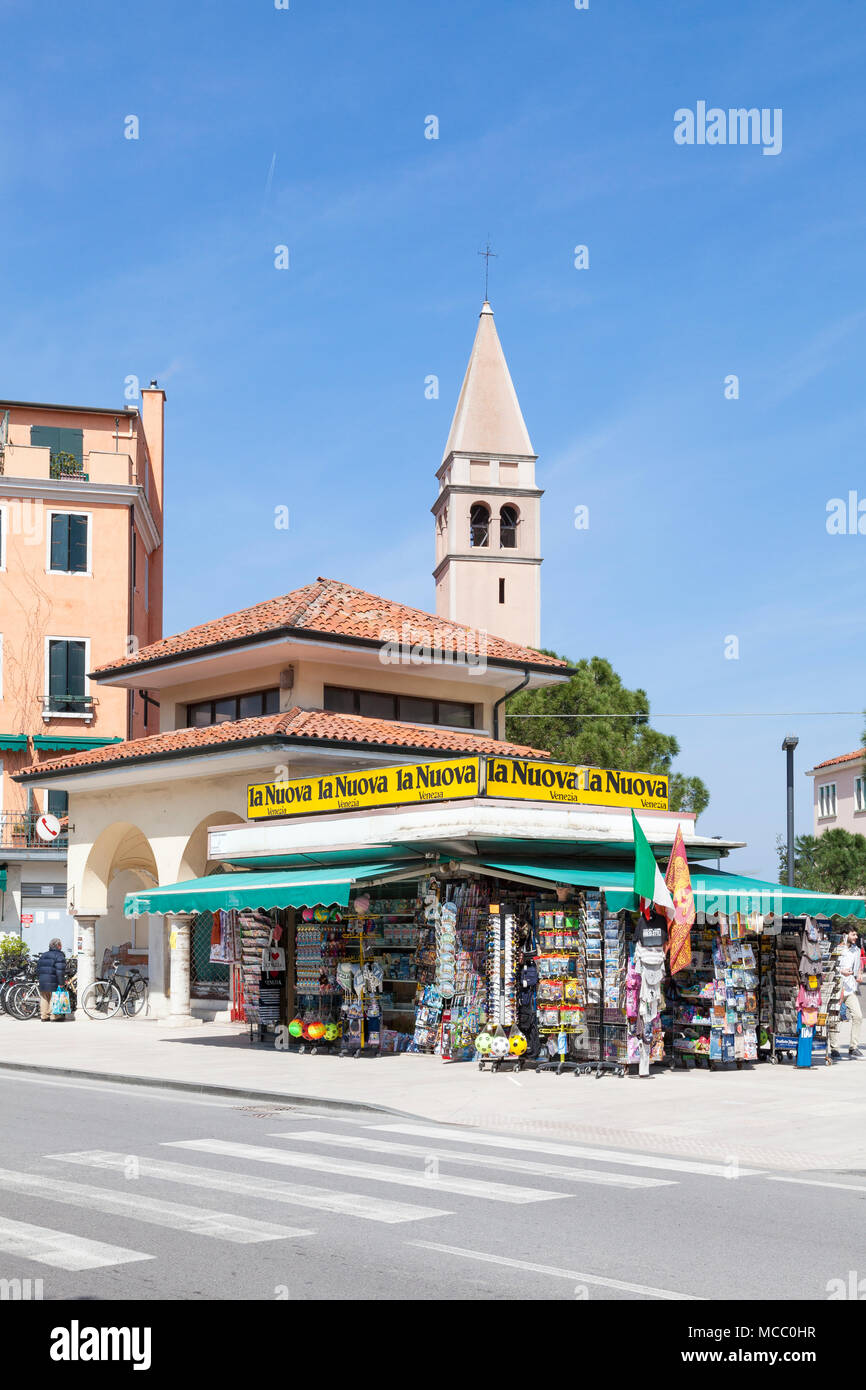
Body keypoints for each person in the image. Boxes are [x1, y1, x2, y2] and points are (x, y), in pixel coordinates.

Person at [831, 927, 863, 1060]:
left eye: (856, 934)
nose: (855, 937)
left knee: (858, 1016)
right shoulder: (838, 948)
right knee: (834, 1018)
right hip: (837, 987)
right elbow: (831, 964)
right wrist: (841, 972)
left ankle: (853, 1047)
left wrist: (859, 973)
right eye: (853, 934)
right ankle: (834, 1048)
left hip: (850, 988)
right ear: (845, 935)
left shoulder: (856, 950)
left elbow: (858, 965)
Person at [36, 938, 67, 1023]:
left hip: (42, 980)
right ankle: (54, 1016)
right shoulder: (59, 955)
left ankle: (44, 1016)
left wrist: (40, 978)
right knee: (55, 997)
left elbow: (38, 969)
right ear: (59, 946)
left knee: (44, 998)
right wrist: (61, 983)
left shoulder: (44, 955)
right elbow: (60, 971)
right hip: (53, 980)